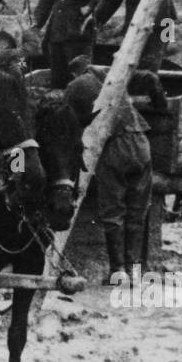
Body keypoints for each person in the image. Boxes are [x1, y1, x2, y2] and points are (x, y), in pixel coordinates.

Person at [65, 71, 153, 286]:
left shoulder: (76, 84)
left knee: (113, 211)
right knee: (137, 211)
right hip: (141, 143)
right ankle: (134, 271)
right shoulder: (111, 77)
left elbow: (70, 120)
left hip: (115, 147)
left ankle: (118, 271)